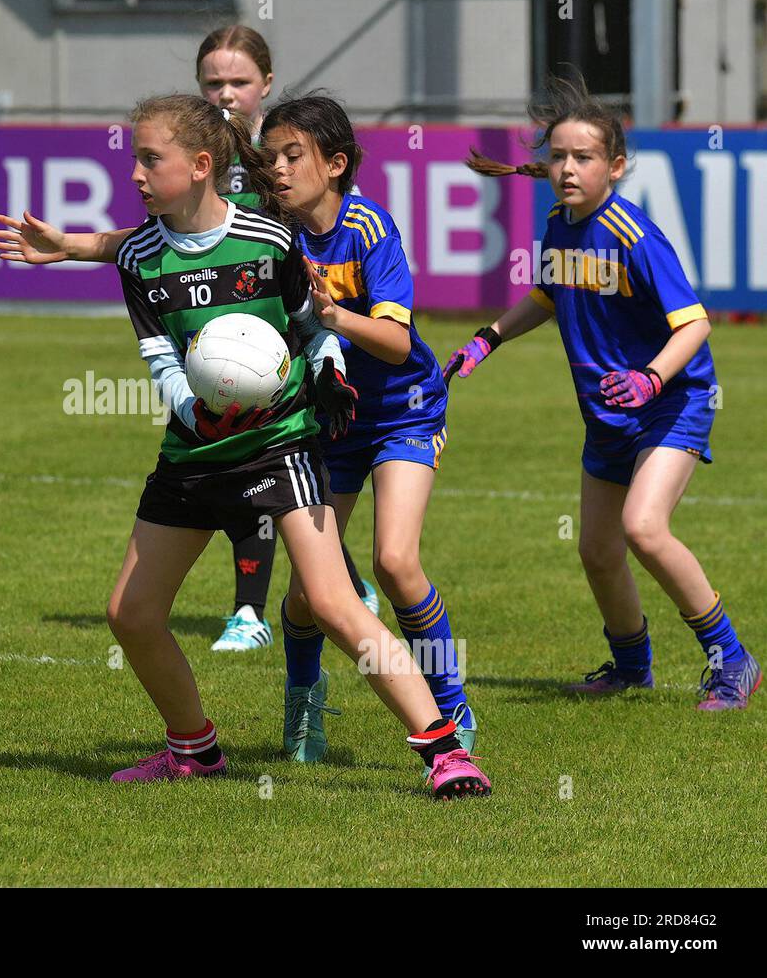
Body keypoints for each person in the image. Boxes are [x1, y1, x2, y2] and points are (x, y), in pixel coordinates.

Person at [99, 93, 489, 797]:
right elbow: (159, 353)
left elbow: (315, 326)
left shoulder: (270, 240)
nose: (134, 173)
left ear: (199, 165)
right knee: (129, 613)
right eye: (134, 158)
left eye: (148, 159)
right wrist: (192, 406)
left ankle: (443, 746)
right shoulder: (139, 256)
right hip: (194, 452)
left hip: (286, 443)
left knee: (339, 596)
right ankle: (195, 748)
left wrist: (330, 371)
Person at [0, 25, 379, 668]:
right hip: (229, 348)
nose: (225, 94)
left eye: (238, 83)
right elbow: (167, 239)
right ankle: (262, 609)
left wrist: (332, 332)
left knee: (299, 496)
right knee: (256, 461)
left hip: (305, 334)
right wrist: (80, 245)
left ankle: (316, 601)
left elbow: (331, 234)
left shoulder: (281, 159)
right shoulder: (188, 163)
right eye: (212, 84)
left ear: (267, 86)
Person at [446, 72, 759, 710]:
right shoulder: (561, 225)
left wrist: (651, 378)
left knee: (644, 529)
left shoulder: (634, 237)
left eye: (582, 157)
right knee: (595, 548)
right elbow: (548, 294)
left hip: (671, 403)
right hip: (608, 412)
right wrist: (489, 338)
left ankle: (733, 661)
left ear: (614, 166)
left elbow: (694, 322)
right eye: (557, 155)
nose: (566, 168)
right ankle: (630, 666)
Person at [258, 94, 478, 758]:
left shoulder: (370, 229)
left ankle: (450, 704)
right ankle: (304, 706)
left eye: (292, 155)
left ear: (335, 163)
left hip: (404, 409)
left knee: (394, 560)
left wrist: (332, 316)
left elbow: (391, 339)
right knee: (305, 593)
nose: (277, 169)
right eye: (269, 158)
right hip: (330, 422)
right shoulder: (272, 235)